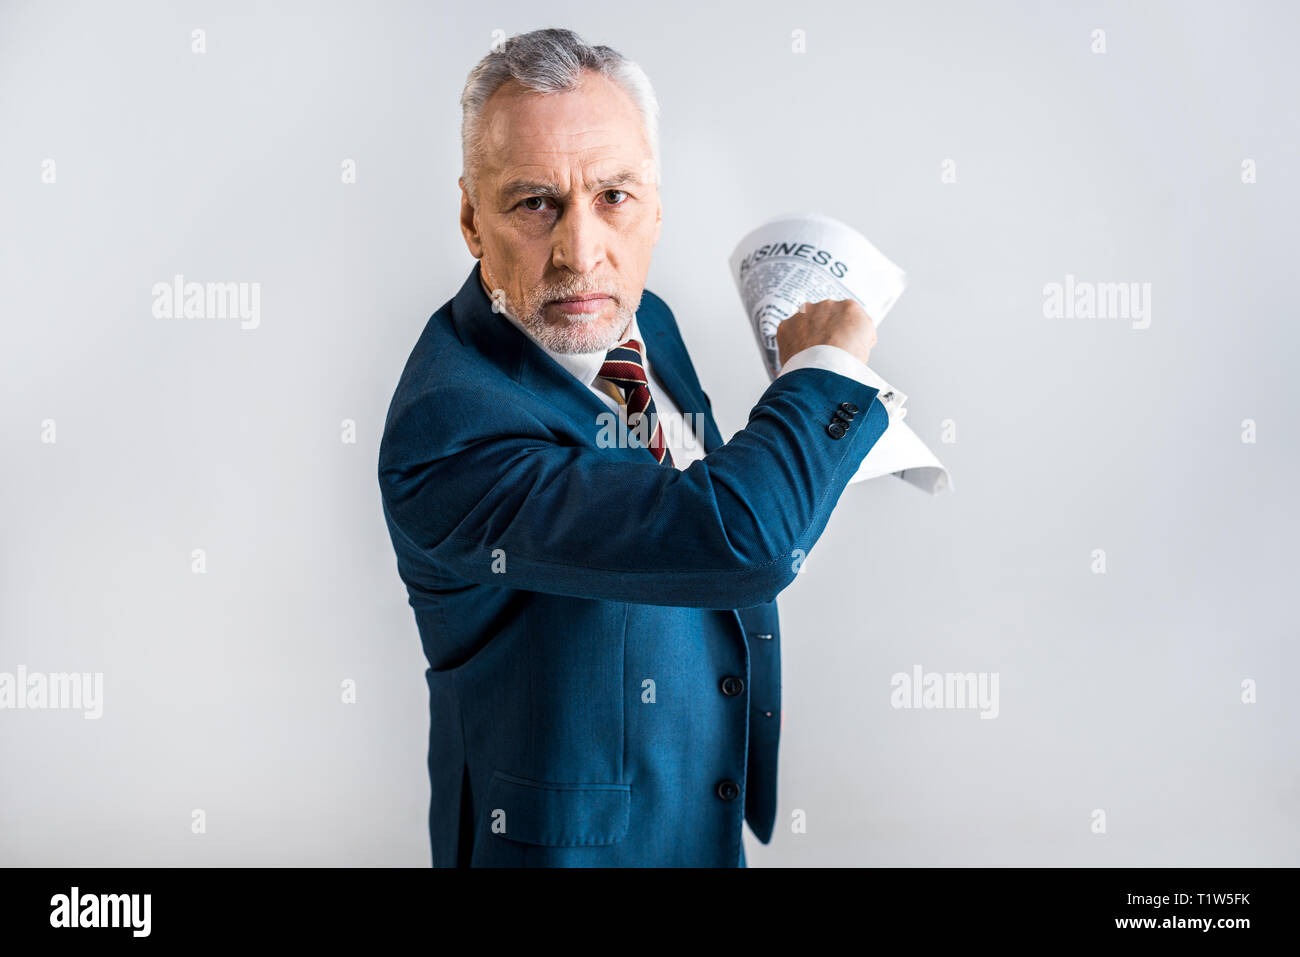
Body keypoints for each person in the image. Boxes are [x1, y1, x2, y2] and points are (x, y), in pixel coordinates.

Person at [378, 27, 887, 867]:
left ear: (656, 204)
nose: (582, 254)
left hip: (695, 817)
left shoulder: (643, 319)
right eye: (535, 202)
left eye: (613, 196)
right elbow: (736, 537)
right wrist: (825, 369)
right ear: (472, 218)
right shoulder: (448, 428)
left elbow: (681, 505)